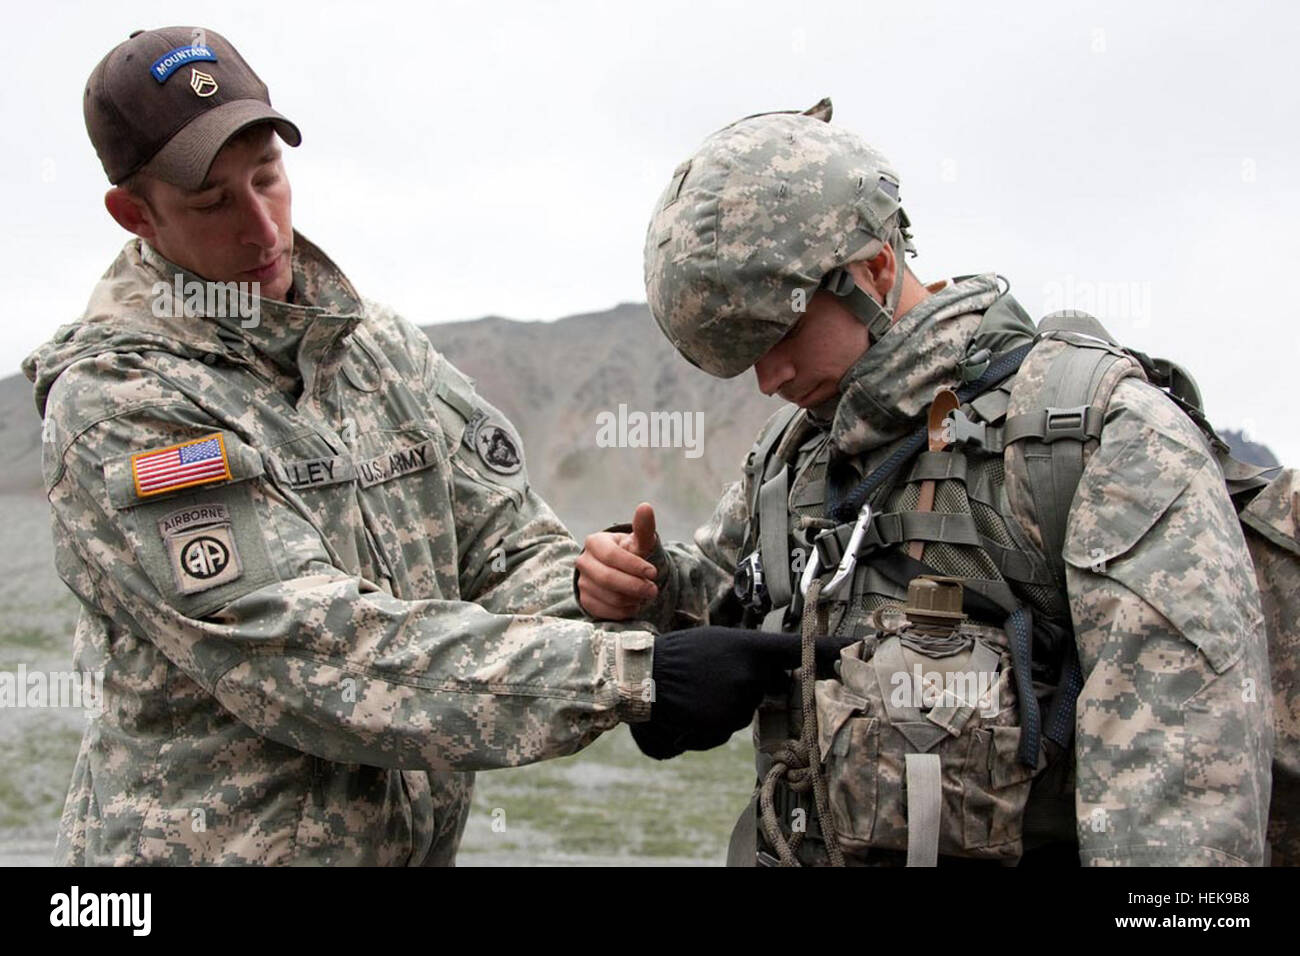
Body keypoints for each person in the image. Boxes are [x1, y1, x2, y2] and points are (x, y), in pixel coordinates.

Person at [23, 25, 791, 866]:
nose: (261, 225)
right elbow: (309, 653)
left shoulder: (377, 351)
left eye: (268, 177)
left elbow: (499, 547)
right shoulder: (123, 408)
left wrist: (586, 584)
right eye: (212, 203)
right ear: (135, 214)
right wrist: (630, 679)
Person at [576, 99, 1275, 866]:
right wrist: (643, 588)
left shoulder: (1099, 442)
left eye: (780, 336)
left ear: (874, 268)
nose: (768, 378)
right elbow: (718, 589)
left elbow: (1180, 832)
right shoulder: (797, 456)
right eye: (741, 356)